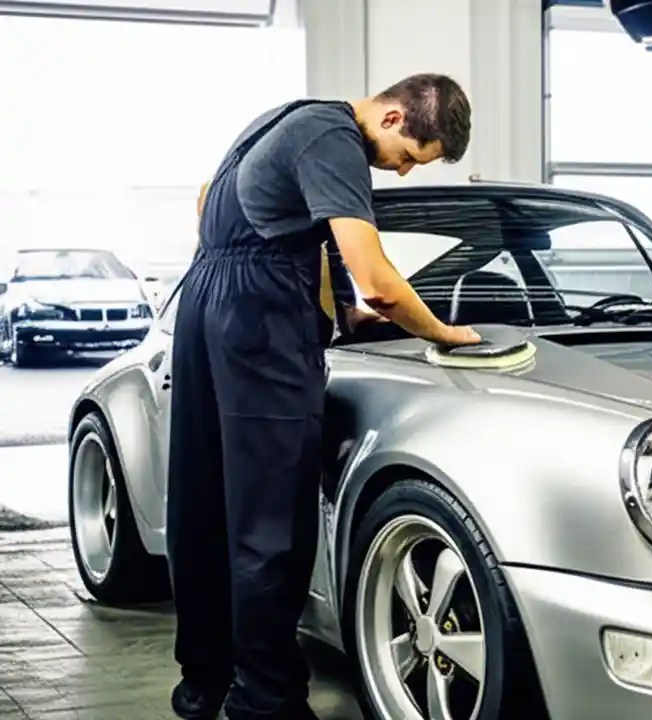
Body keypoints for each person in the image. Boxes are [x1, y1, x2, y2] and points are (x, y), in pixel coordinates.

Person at [166, 73, 481, 720]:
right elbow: (379, 280)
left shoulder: (287, 117)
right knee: (271, 525)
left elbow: (216, 203)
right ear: (393, 119)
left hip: (203, 300)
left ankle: (206, 686)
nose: (398, 175)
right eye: (407, 160)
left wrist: (341, 318)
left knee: (204, 510)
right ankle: (266, 702)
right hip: (257, 320)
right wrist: (444, 333)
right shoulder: (337, 141)